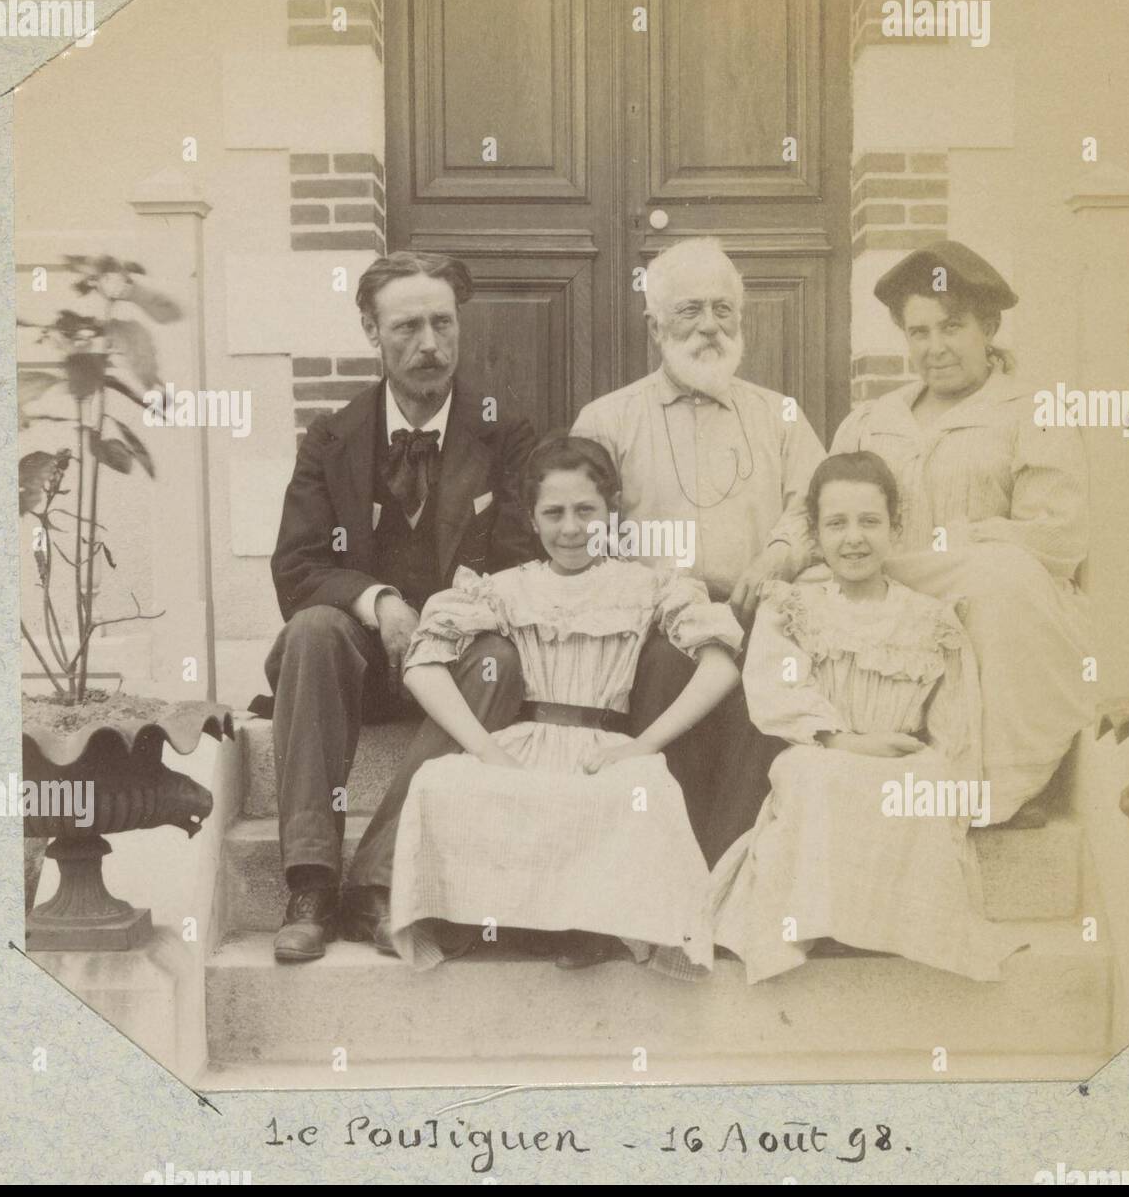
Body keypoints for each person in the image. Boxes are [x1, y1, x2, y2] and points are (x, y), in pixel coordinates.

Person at [263, 251, 538, 963]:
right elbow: (297, 566)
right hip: (359, 664)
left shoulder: (505, 434)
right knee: (312, 630)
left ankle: (376, 880)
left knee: (502, 660)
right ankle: (312, 884)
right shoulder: (332, 437)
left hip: (456, 665)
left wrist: (459, 609)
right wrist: (378, 599)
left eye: (443, 324)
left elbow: (522, 560)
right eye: (407, 327)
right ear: (370, 331)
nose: (429, 346)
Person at [387, 434, 743, 972]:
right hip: (525, 741)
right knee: (441, 782)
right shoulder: (505, 588)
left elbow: (721, 665)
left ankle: (591, 924)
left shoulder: (645, 585)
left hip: (604, 747)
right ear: (531, 520)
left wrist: (643, 746)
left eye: (586, 510)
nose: (571, 529)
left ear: (612, 510)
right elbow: (421, 664)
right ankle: (493, 918)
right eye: (553, 513)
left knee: (641, 791)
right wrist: (484, 748)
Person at [711, 452, 1029, 983]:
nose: (853, 538)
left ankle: (893, 925)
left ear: (894, 527)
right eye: (836, 524)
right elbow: (776, 691)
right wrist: (843, 740)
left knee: (924, 780)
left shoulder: (930, 618)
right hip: (823, 750)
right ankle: (819, 919)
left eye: (869, 522)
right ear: (815, 533)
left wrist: (948, 776)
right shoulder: (793, 608)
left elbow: (955, 718)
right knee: (813, 777)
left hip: (900, 754)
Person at [571, 236, 825, 863]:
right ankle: (665, 871)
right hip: (652, 623)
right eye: (689, 311)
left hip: (758, 609)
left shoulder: (782, 416)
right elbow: (582, 532)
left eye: (723, 310)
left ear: (742, 320)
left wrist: (777, 555)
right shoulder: (608, 420)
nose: (709, 326)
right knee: (664, 670)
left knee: (771, 677)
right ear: (655, 324)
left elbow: (817, 507)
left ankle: (730, 875)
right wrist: (656, 600)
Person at [827, 241, 1091, 825]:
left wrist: (966, 542)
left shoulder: (1032, 410)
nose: (935, 348)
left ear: (988, 328)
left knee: (1000, 573)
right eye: (918, 332)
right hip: (891, 599)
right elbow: (820, 509)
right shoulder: (872, 421)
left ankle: (999, 787)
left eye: (953, 327)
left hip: (997, 610)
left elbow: (1061, 538)